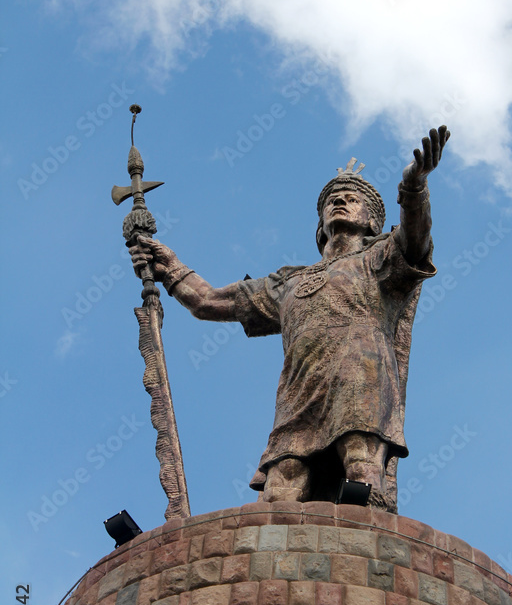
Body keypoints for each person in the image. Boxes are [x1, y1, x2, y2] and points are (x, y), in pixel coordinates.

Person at [129, 125, 449, 511]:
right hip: (299, 390)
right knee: (280, 488)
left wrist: (414, 189)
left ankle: (365, 550)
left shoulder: (378, 261)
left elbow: (416, 242)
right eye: (333, 200)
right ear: (319, 225)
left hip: (360, 377)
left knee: (361, 472)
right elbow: (209, 301)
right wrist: (170, 267)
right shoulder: (289, 282)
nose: (340, 202)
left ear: (371, 222)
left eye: (351, 199)